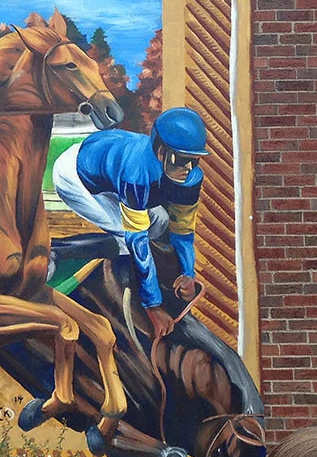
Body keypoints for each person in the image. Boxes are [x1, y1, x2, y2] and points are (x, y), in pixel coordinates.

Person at [50, 106, 207, 337]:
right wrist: (153, 305)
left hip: (109, 168)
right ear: (160, 151)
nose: (186, 170)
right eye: (180, 160)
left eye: (194, 161)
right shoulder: (138, 174)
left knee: (162, 222)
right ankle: (57, 251)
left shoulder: (192, 178)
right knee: (127, 241)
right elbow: (137, 240)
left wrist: (188, 274)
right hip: (75, 175)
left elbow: (183, 232)